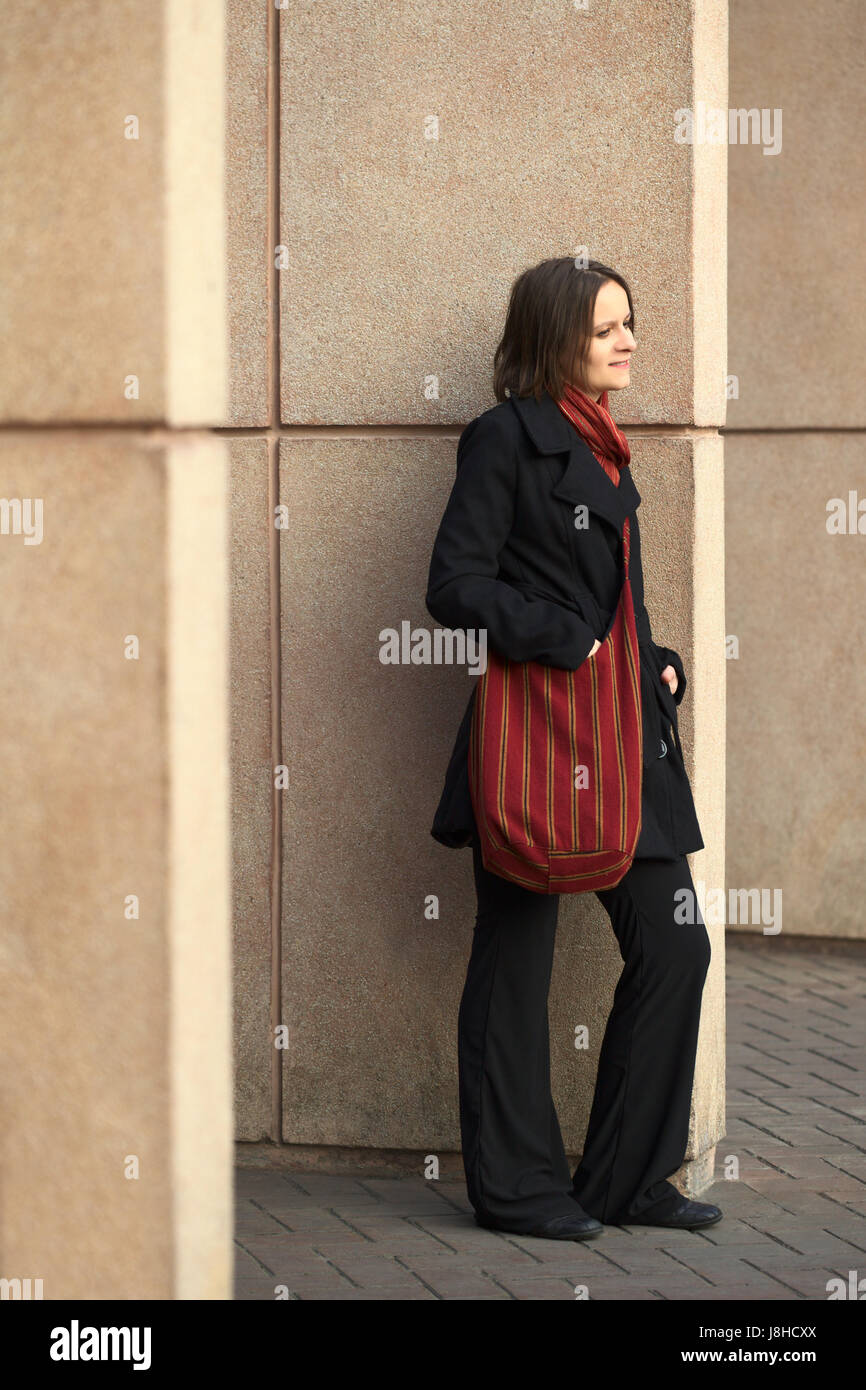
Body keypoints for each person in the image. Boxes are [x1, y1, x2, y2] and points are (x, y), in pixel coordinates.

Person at [425, 257, 718, 1240]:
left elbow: (610, 597)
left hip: (626, 741)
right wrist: (569, 640)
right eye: (605, 328)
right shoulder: (505, 439)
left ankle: (625, 1180)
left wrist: (655, 657)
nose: (627, 340)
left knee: (675, 943)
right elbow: (454, 584)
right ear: (557, 339)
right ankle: (513, 1189)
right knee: (515, 957)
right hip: (540, 746)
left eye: (627, 322)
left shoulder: (606, 448)